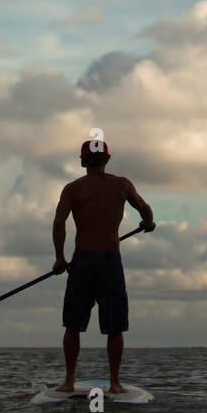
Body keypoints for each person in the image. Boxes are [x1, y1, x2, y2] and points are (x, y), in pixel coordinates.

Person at [52, 139, 155, 394]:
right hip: (110, 261)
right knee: (115, 326)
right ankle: (114, 383)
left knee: (73, 325)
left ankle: (68, 382)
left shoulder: (73, 188)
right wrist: (148, 222)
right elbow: (144, 208)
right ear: (107, 160)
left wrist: (60, 258)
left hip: (83, 261)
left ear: (83, 161)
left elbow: (59, 223)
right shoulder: (122, 184)